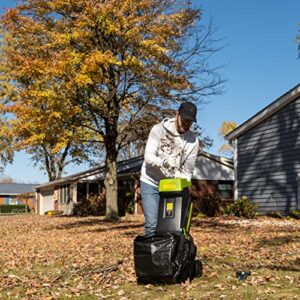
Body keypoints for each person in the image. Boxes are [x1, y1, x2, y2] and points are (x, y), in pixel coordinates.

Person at [140, 101, 199, 237]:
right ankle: (151, 257)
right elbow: (148, 158)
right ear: (177, 114)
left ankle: (168, 257)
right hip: (151, 182)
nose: (187, 124)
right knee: (152, 224)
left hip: (172, 186)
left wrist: (184, 189)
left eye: (190, 121)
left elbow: (187, 171)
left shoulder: (193, 142)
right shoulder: (158, 129)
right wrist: (164, 162)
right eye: (184, 119)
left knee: (173, 226)